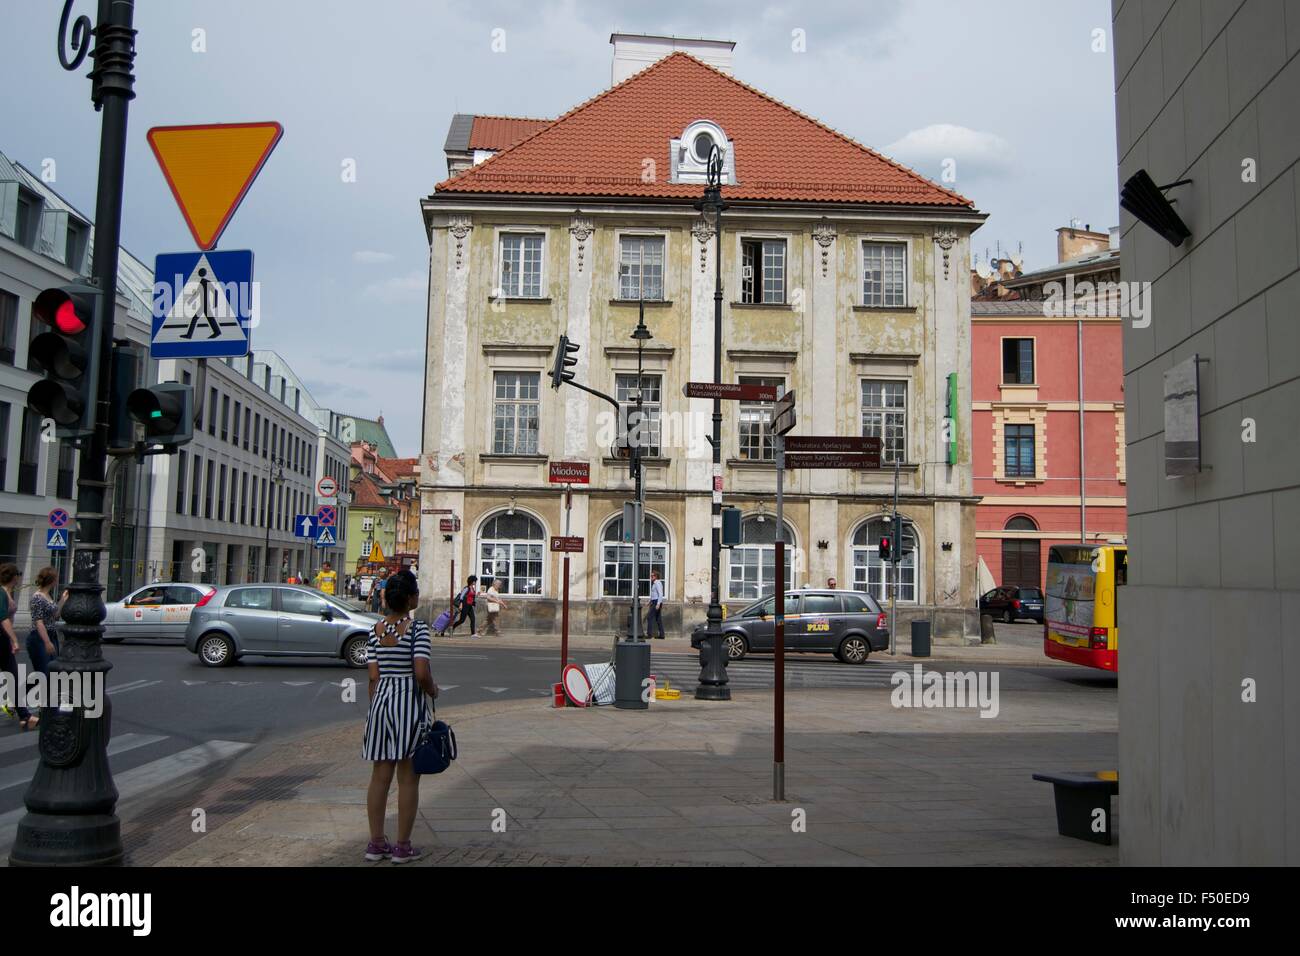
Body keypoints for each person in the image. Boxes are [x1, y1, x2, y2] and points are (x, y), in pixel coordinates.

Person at [362, 570, 437, 864]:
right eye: (415, 592)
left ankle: (376, 843)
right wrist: (433, 690)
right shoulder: (418, 630)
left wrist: (376, 706)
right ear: (409, 599)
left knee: (379, 777)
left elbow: (373, 676)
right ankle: (402, 847)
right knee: (408, 778)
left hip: (380, 703)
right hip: (408, 704)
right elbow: (421, 671)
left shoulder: (375, 630)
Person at [0, 564, 36, 731]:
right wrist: (14, 639)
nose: (19, 578)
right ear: (13, 576)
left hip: (3, 641)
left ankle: (24, 716)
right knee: (12, 678)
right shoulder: (1, 592)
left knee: (13, 678)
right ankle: (24, 716)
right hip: (2, 640)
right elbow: (3, 618)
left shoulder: (7, 591)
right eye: (18, 574)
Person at [27, 567, 67, 679]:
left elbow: (55, 615)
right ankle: (26, 689)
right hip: (39, 637)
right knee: (44, 673)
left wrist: (63, 599)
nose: (58, 579)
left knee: (53, 672)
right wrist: (47, 642)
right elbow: (39, 622)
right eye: (56, 577)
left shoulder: (48, 595)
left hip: (51, 634)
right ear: (52, 580)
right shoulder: (38, 597)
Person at [646, 569, 666, 639]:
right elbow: (654, 594)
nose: (651, 577)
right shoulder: (654, 583)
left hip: (656, 602)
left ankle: (649, 635)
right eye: (651, 576)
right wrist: (649, 601)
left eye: (652, 576)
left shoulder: (657, 583)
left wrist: (658, 604)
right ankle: (662, 635)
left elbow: (660, 594)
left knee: (649, 617)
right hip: (654, 601)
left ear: (656, 576)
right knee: (658, 619)